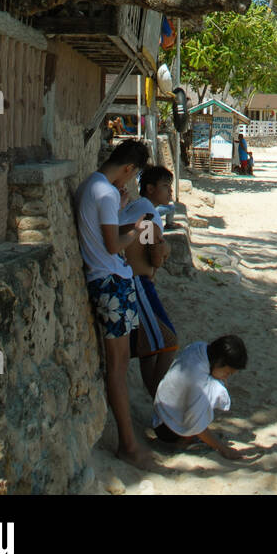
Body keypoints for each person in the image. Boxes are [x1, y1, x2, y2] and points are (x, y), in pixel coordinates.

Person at [74, 139, 155, 470]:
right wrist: (136, 230)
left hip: (105, 282)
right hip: (111, 282)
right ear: (129, 169)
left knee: (118, 366)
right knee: (119, 367)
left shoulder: (92, 185)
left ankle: (128, 441)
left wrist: (120, 208)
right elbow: (111, 245)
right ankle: (127, 444)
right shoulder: (105, 192)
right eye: (132, 177)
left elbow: (98, 231)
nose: (130, 184)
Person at [119, 166, 179, 406]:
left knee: (148, 346)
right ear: (151, 189)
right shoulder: (147, 214)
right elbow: (153, 254)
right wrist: (166, 250)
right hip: (138, 283)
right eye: (166, 186)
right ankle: (160, 399)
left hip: (131, 281)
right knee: (169, 341)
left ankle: (155, 397)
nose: (170, 192)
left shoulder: (136, 207)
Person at [152, 334, 249, 460]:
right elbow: (195, 425)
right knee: (215, 390)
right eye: (227, 373)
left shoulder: (199, 347)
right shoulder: (200, 383)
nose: (227, 377)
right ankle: (184, 441)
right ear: (219, 362)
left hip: (159, 413)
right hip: (168, 430)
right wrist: (223, 449)